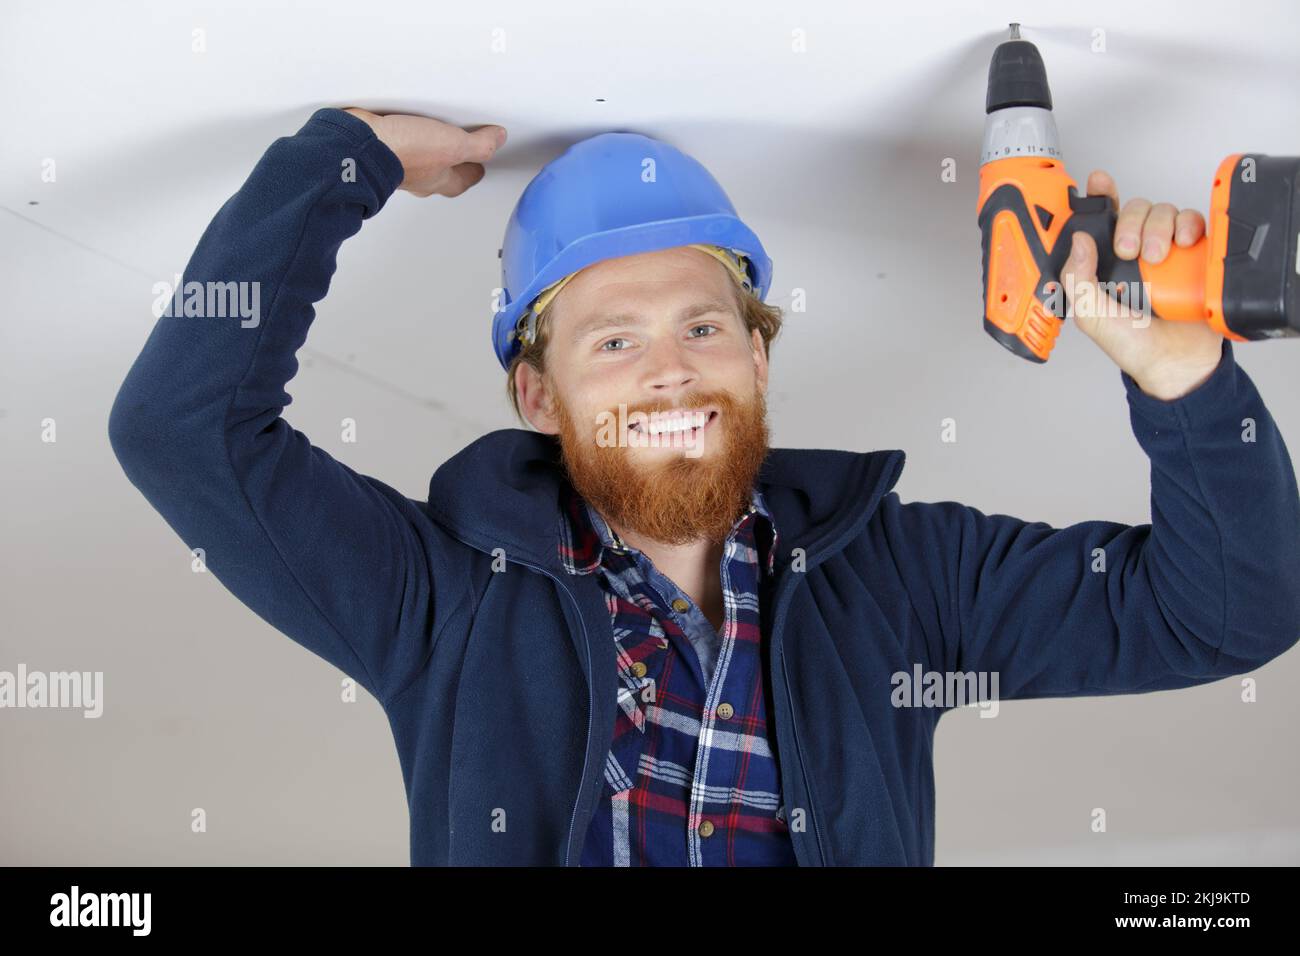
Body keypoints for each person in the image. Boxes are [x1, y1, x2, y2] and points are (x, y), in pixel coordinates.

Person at [108, 106, 1300, 866]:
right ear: (539, 397)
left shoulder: (903, 581)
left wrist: (1184, 376)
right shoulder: (441, 599)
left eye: (702, 324)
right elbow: (182, 430)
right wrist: (339, 165)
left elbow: (1226, 610)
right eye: (612, 341)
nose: (670, 365)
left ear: (758, 355)